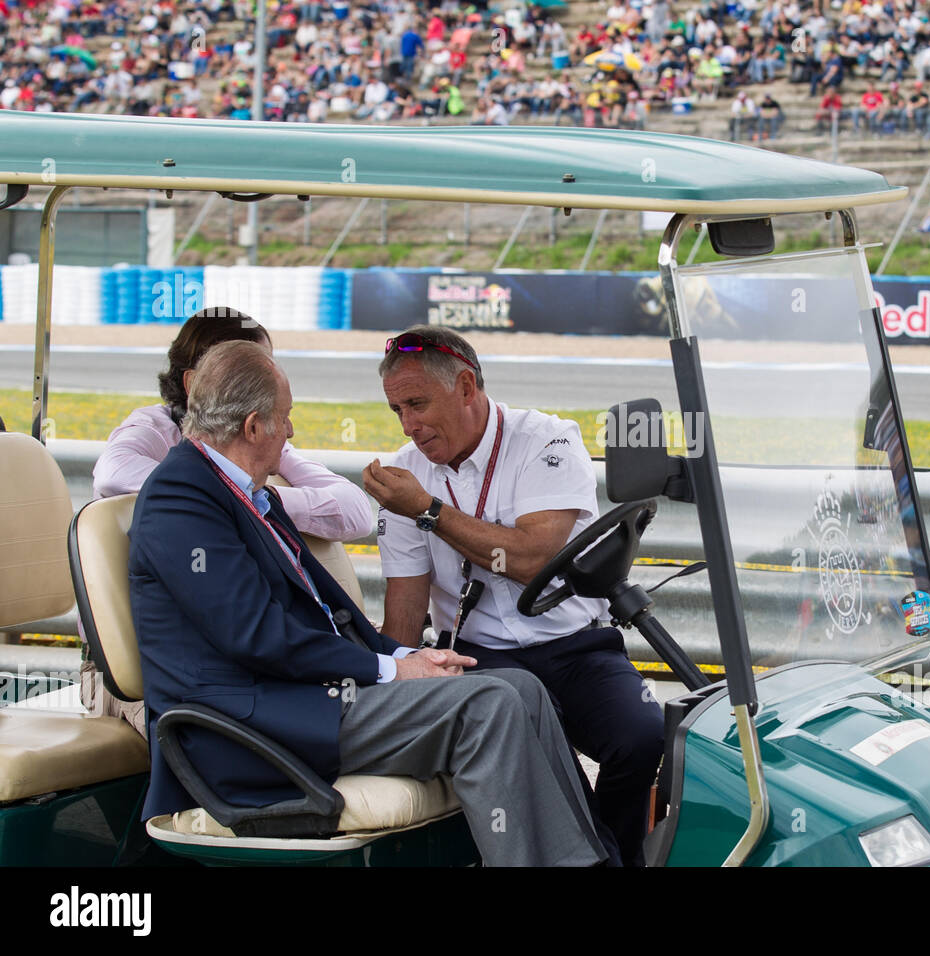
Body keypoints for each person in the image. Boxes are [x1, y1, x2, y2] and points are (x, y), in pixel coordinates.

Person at [129, 340, 607, 867]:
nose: (290, 432)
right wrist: (391, 668)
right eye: (285, 419)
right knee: (488, 706)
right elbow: (256, 637)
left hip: (305, 696)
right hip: (251, 722)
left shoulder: (246, 493)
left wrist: (405, 658)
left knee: (522, 688)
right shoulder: (181, 496)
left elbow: (327, 620)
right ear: (252, 427)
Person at [362, 326, 664, 867]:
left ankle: (617, 856)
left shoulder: (547, 440)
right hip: (482, 661)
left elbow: (532, 561)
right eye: (397, 410)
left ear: (466, 386)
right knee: (552, 775)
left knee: (642, 739)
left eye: (417, 403)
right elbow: (405, 612)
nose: (409, 425)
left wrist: (430, 511)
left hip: (576, 646)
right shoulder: (403, 475)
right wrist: (385, 687)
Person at [88, 307, 372, 735]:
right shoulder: (154, 429)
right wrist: (233, 498)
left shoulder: (255, 439)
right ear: (194, 382)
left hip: (240, 658)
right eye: (247, 367)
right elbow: (112, 473)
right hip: (156, 671)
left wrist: (267, 500)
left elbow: (355, 511)